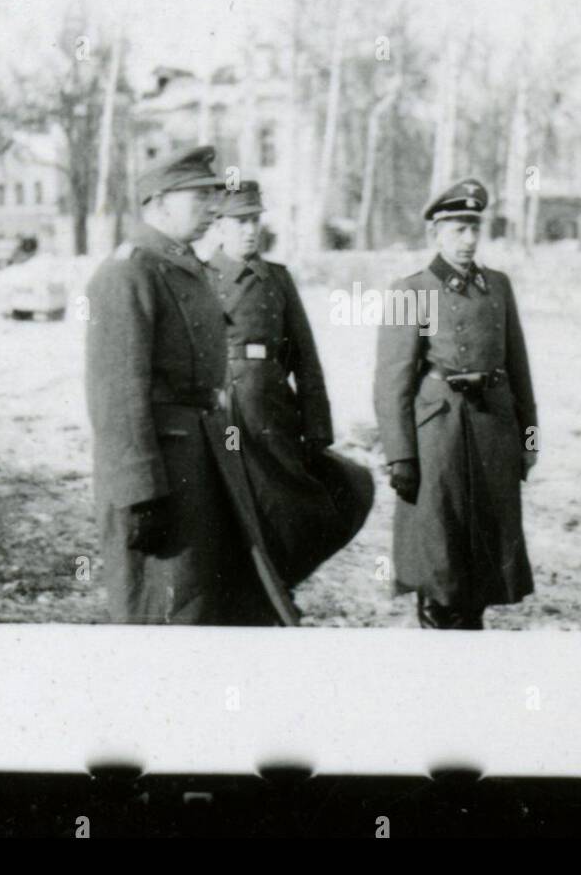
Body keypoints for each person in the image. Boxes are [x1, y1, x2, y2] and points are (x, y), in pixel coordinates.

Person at [84, 146, 296, 627]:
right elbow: (116, 396)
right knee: (164, 612)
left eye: (211, 196)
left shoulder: (184, 266)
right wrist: (139, 494)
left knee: (207, 605)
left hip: (202, 462)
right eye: (198, 197)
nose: (212, 208)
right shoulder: (128, 273)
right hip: (160, 476)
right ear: (159, 203)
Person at [373, 178, 537, 630]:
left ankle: (471, 627)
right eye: (457, 230)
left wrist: (528, 439)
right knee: (439, 541)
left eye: (473, 229)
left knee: (486, 539)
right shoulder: (411, 290)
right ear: (435, 234)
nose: (467, 240)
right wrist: (400, 455)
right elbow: (392, 381)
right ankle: (439, 627)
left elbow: (519, 369)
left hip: (492, 429)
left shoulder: (498, 287)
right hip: (438, 434)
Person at [206, 180, 374, 589]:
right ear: (220, 226)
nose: (250, 229)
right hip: (221, 414)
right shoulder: (200, 278)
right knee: (225, 509)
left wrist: (317, 428)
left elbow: (306, 358)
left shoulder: (277, 279)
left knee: (287, 506)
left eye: (255, 220)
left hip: (272, 411)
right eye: (240, 221)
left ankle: (277, 586)